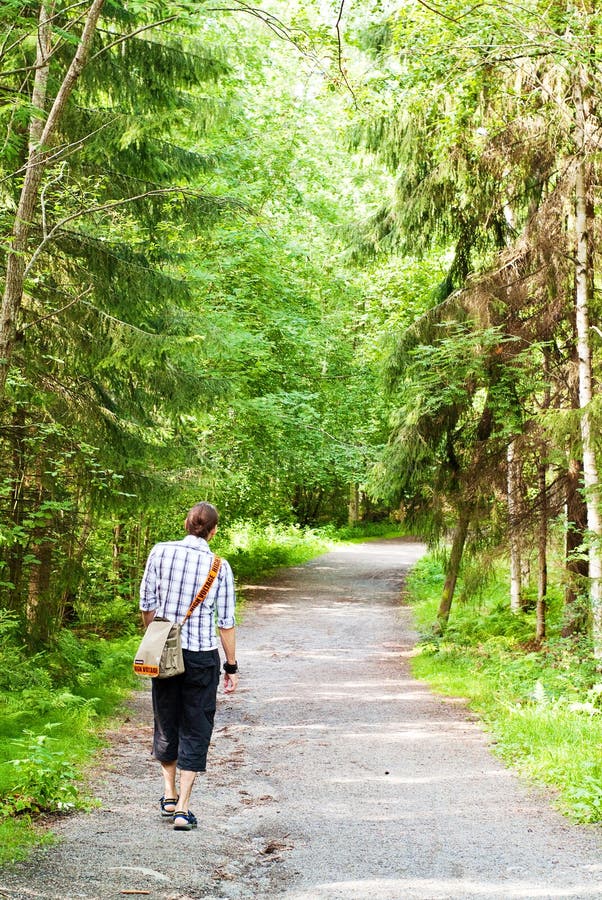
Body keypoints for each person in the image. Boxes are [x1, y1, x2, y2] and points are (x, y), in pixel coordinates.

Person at [139, 501, 239, 831]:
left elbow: (146, 603)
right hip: (200, 656)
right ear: (213, 531)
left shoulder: (160, 552)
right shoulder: (218, 566)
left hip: (165, 653)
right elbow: (225, 622)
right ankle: (183, 808)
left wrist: (154, 637)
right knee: (196, 727)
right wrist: (231, 666)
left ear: (186, 523)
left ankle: (167, 794)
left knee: (166, 720)